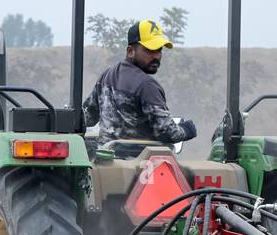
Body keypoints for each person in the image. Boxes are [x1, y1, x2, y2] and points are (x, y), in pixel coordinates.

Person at [82, 18, 198, 150]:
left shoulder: (106, 77)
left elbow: (88, 117)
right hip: (139, 165)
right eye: (150, 50)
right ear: (130, 51)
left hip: (105, 162)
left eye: (159, 50)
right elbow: (167, 132)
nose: (156, 56)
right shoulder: (146, 86)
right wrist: (187, 129)